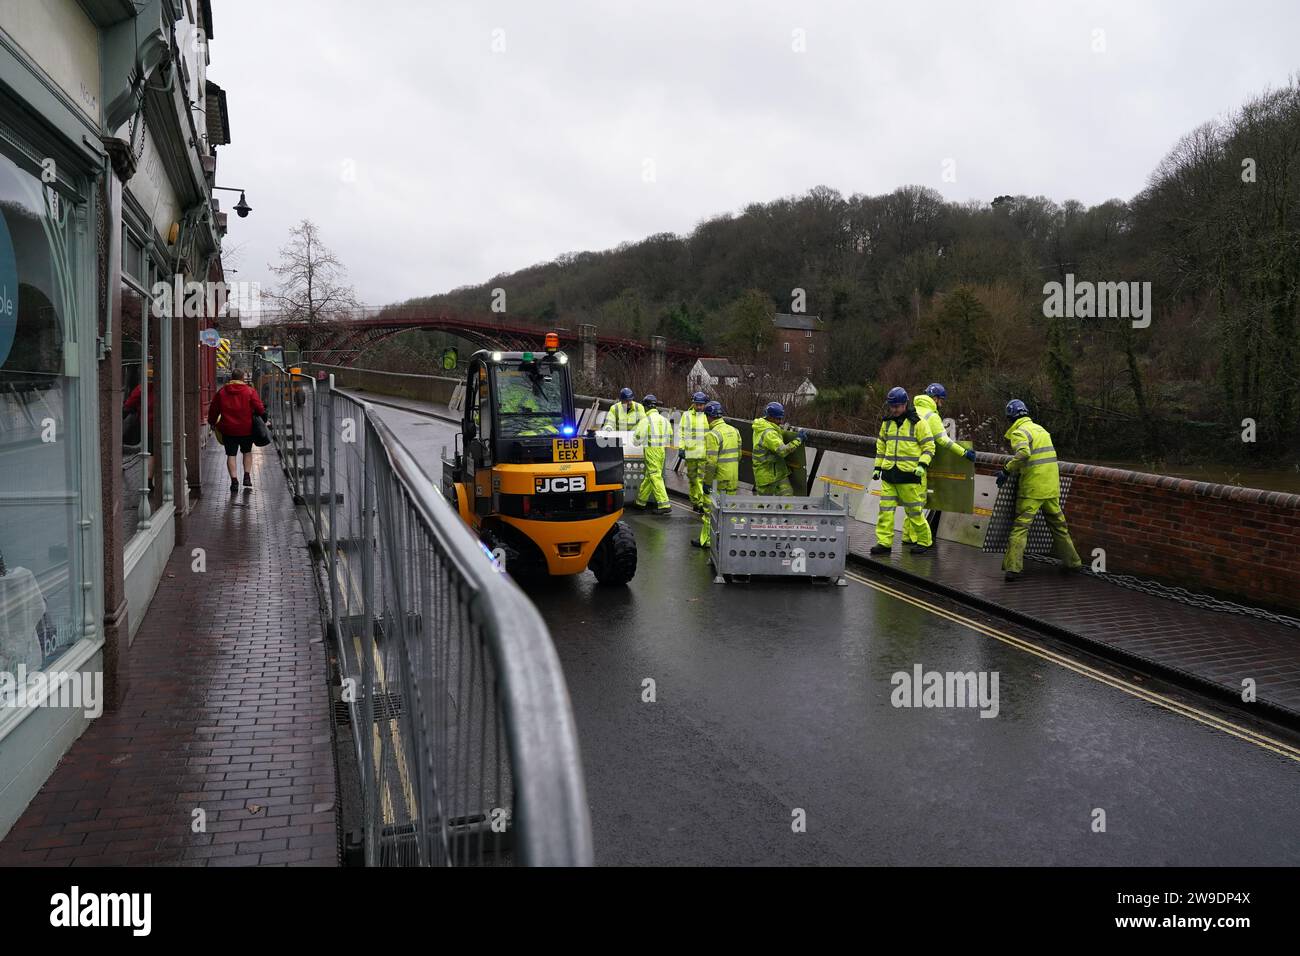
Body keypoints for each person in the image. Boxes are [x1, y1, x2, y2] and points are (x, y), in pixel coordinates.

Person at [997, 399, 1082, 582]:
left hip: (1032, 490)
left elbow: (1024, 454)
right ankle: (1073, 562)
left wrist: (1006, 469)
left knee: (1020, 528)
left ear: (1010, 418)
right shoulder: (1041, 430)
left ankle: (1013, 568)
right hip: (1051, 488)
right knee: (1060, 527)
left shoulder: (1019, 432)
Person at [870, 387, 935, 555]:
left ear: (905, 404)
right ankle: (884, 542)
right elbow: (881, 446)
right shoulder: (887, 422)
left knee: (914, 511)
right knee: (885, 510)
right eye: (892, 406)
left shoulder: (918, 423)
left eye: (897, 406)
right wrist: (877, 467)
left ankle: (924, 541)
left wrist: (922, 464)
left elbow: (929, 447)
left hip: (909, 475)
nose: (894, 410)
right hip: (889, 474)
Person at [207, 368, 268, 493]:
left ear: (231, 378)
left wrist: (212, 422)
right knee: (247, 452)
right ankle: (247, 476)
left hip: (228, 429)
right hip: (246, 429)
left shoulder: (222, 392)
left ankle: (234, 481)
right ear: (242, 378)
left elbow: (214, 409)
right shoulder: (250, 391)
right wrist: (263, 416)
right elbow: (259, 407)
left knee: (231, 455)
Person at [696, 402, 740, 548]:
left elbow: (711, 462)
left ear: (709, 417)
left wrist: (707, 482)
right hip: (733, 476)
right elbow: (739, 455)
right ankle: (732, 539)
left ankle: (707, 540)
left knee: (710, 510)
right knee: (730, 508)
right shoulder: (735, 430)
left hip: (718, 478)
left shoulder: (712, 434)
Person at [751, 402, 806, 495]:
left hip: (776, 474)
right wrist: (798, 440)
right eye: (778, 418)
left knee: (787, 498)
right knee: (763, 505)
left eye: (781, 418)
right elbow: (783, 451)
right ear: (770, 417)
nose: (780, 421)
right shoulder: (769, 433)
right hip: (767, 477)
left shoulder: (765, 426)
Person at [630, 395, 671, 514]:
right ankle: (640, 502)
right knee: (650, 475)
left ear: (646, 407)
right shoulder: (664, 420)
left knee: (654, 476)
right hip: (661, 450)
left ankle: (664, 504)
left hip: (651, 451)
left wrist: (636, 442)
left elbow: (638, 437)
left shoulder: (646, 420)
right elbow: (670, 434)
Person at [677, 391, 710, 513]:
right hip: (690, 454)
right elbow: (681, 433)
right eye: (697, 404)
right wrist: (681, 448)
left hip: (703, 453)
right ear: (693, 404)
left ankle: (701, 502)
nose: (699, 407)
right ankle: (695, 501)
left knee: (700, 479)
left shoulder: (708, 415)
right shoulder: (686, 415)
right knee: (692, 478)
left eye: (701, 405)